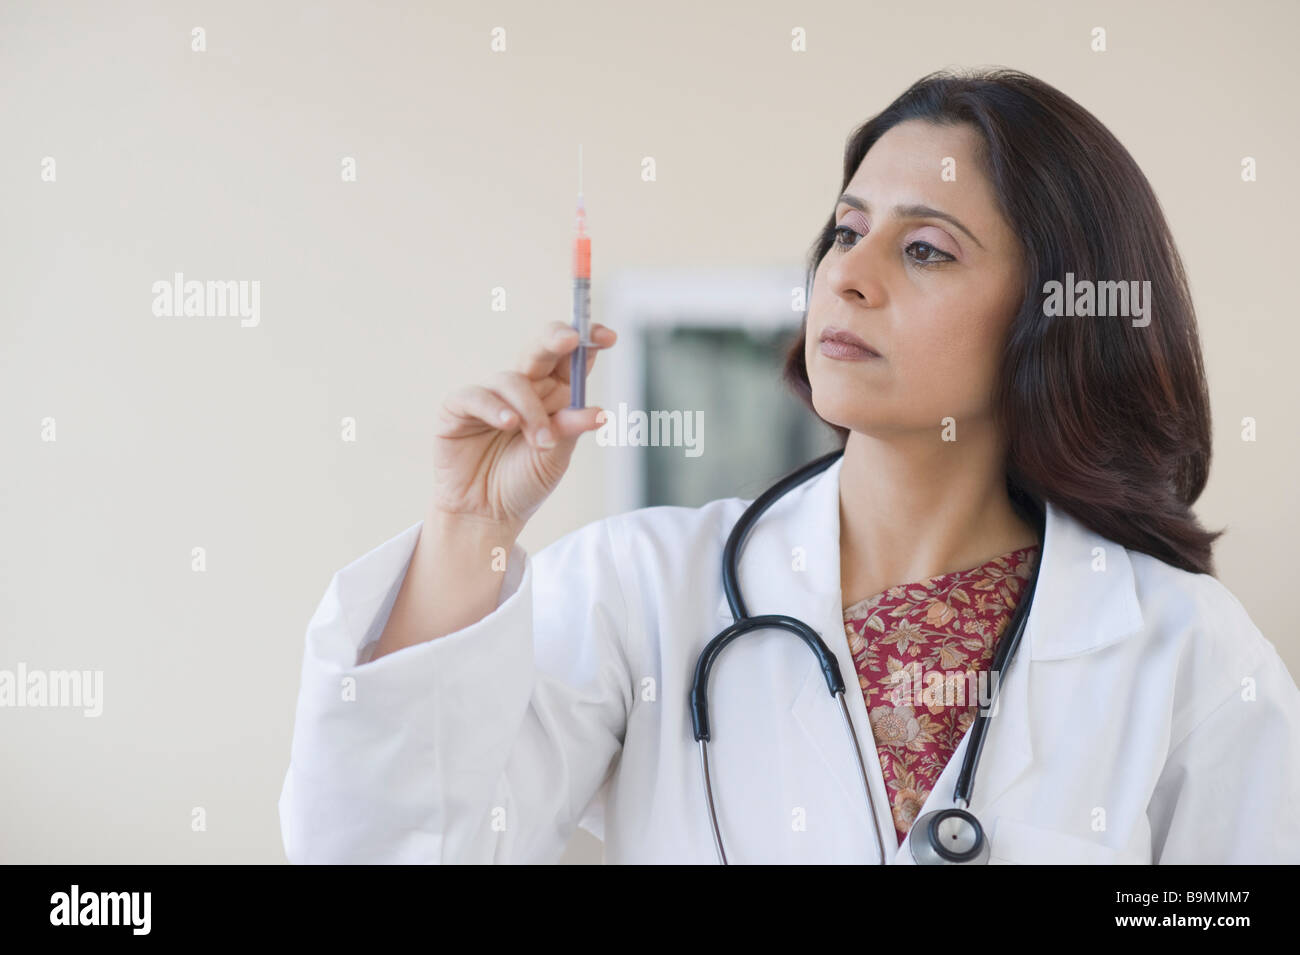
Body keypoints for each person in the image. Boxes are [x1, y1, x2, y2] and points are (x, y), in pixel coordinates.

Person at [278, 67, 1300, 864]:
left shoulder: (1185, 651)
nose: (846, 275)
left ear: (1054, 315)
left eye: (925, 249)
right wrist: (469, 530)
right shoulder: (641, 591)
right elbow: (384, 850)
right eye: (846, 231)